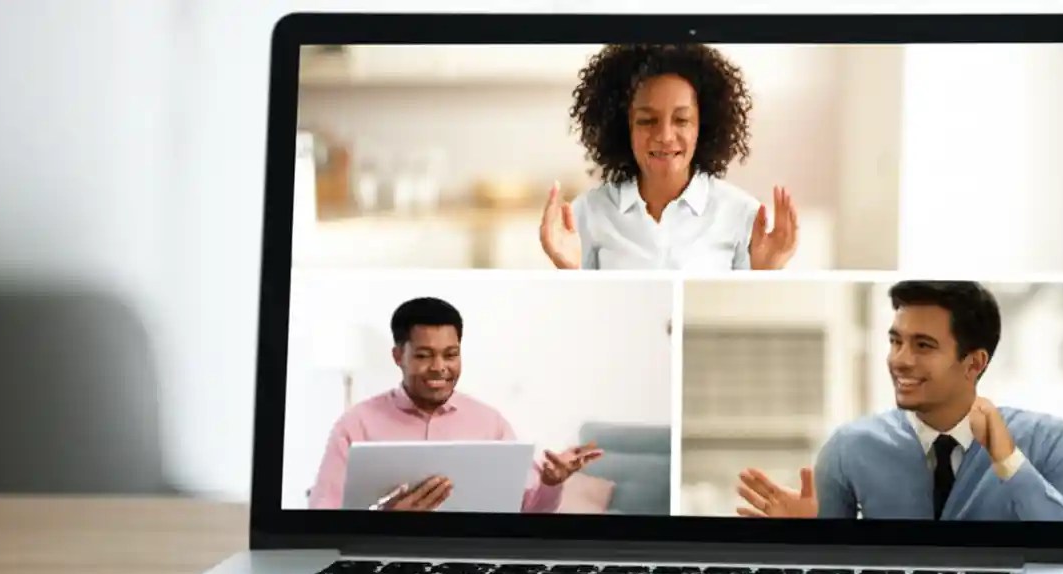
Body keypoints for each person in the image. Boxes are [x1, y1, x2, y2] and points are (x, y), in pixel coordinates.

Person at [735, 281, 1063, 521]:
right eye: (896, 342)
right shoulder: (849, 448)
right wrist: (810, 538)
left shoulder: (1048, 440)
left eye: (923, 345)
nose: (900, 360)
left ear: (974, 363)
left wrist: (1009, 463)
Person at [308, 297, 603, 511]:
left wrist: (551, 483)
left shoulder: (491, 424)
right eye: (424, 355)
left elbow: (524, 513)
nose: (439, 367)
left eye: (450, 355)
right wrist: (384, 522)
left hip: (474, 558)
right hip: (385, 558)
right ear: (398, 357)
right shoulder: (355, 425)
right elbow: (322, 515)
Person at [539, 43, 799, 271]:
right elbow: (579, 309)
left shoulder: (741, 214)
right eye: (647, 120)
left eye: (681, 120)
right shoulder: (587, 212)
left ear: (702, 126)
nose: (664, 135)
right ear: (625, 127)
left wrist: (766, 273)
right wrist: (568, 271)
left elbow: (746, 310)